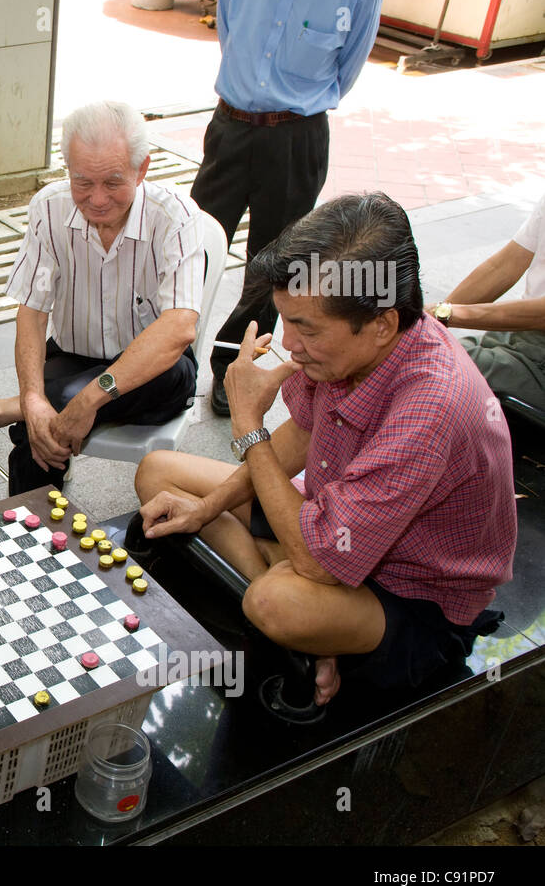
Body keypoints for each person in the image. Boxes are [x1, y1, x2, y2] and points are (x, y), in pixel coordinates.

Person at [135, 193, 516, 707]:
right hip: (332, 522)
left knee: (275, 603)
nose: (288, 342)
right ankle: (318, 626)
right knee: (159, 473)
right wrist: (205, 509)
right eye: (285, 319)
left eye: (306, 327)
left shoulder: (432, 406)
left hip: (413, 593)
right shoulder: (347, 352)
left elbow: (320, 563)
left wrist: (249, 424)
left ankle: (317, 625)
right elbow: (301, 437)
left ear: (381, 323)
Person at [0, 101, 203, 496]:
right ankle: (32, 534)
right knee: (38, 422)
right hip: (74, 356)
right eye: (82, 182)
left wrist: (87, 401)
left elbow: (179, 328)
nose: (98, 199)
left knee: (68, 399)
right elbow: (33, 311)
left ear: (142, 169)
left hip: (156, 372)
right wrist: (34, 400)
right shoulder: (49, 208)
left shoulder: (175, 217)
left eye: (112, 182)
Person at [192, 0, 382, 416]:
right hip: (231, 128)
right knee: (192, 249)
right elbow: (229, 34)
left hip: (298, 137)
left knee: (274, 264)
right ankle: (169, 356)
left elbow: (345, 72)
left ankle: (235, 367)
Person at [430, 190, 545, 412]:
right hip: (521, 336)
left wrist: (444, 314)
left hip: (538, 351)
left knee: (431, 365)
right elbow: (504, 265)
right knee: (418, 349)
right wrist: (427, 325)